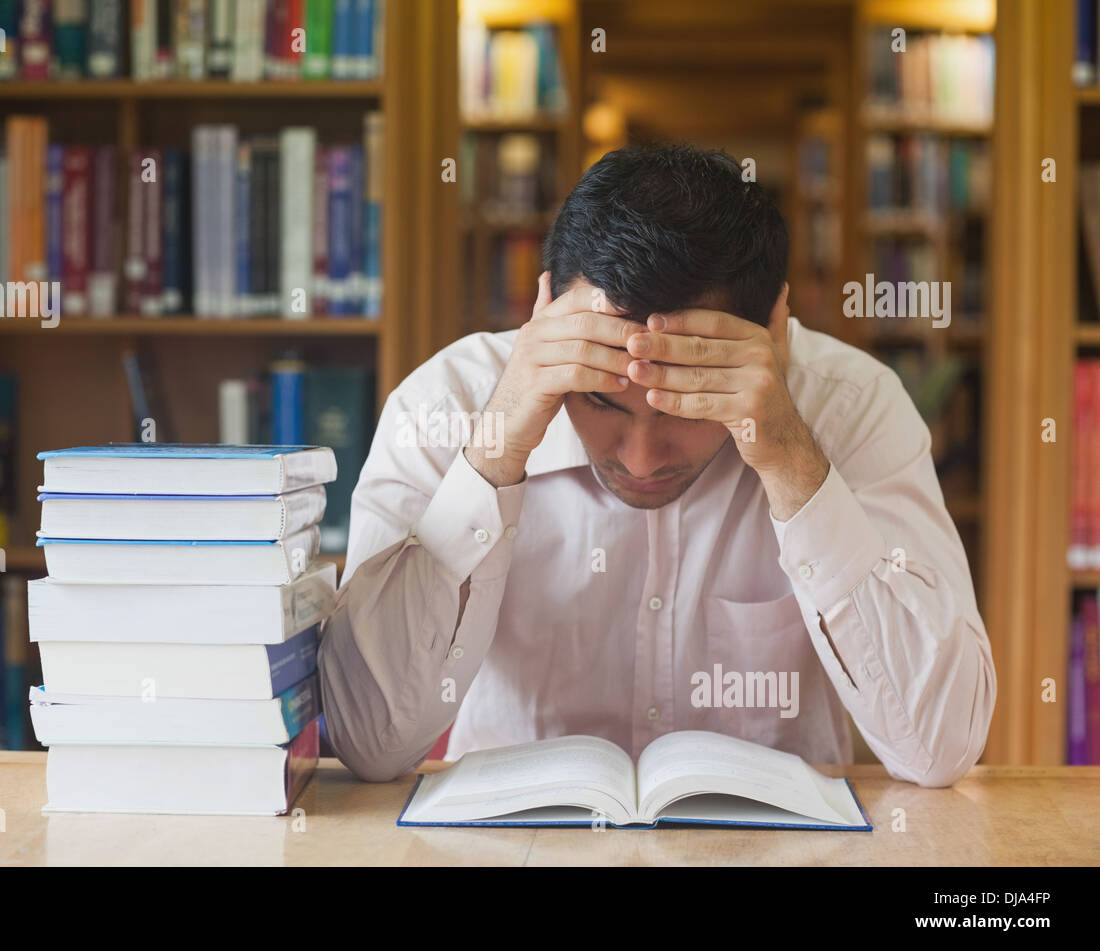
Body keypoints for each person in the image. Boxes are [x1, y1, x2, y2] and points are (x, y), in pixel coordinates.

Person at [318, 143, 995, 787]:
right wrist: (495, 453)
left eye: (689, 405)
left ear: (777, 330)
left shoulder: (853, 408)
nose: (641, 459)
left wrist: (792, 458)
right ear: (543, 308)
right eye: (599, 401)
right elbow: (371, 743)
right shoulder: (447, 404)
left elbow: (938, 748)